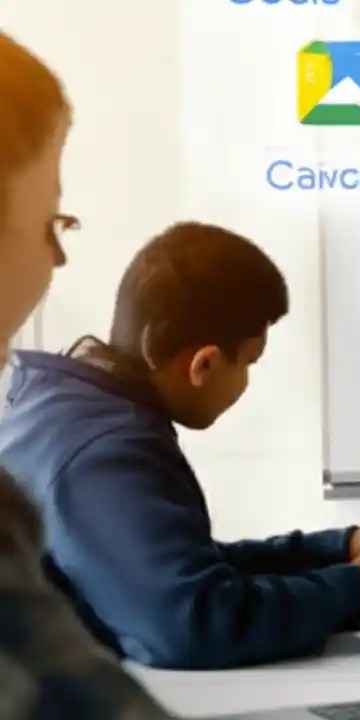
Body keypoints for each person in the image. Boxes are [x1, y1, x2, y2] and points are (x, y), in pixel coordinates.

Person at [0, 221, 360, 670]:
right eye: (249, 362)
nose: (246, 380)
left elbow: (184, 565)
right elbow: (196, 623)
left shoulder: (71, 409)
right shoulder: (105, 451)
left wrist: (340, 548)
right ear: (203, 365)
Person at [0, 28, 173, 718]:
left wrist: (335, 555)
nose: (55, 265)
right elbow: (179, 613)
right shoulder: (111, 440)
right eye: (51, 224)